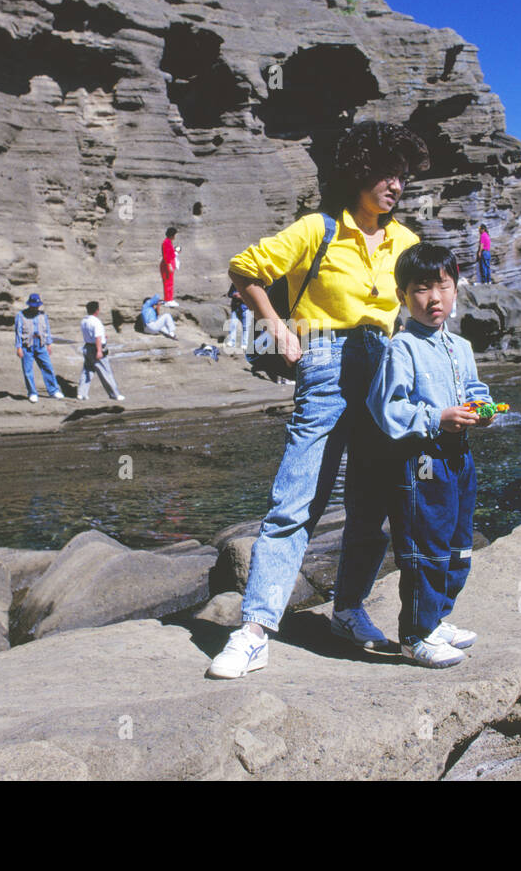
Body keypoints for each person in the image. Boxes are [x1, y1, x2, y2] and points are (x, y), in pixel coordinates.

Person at [207, 120, 429, 679]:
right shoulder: (318, 229)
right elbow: (245, 268)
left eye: (400, 175)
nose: (394, 185)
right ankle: (254, 630)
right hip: (325, 365)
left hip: (383, 372)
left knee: (371, 506)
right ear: (356, 173)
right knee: (295, 500)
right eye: (383, 173)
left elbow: (423, 305)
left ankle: (348, 610)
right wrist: (277, 328)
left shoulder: (406, 242)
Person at [368, 243, 493, 667]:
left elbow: (474, 391)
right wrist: (437, 417)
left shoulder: (460, 346)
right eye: (421, 289)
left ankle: (437, 619)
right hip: (421, 460)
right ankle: (415, 635)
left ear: (456, 289)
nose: (434, 298)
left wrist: (484, 409)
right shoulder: (402, 347)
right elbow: (387, 409)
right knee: (426, 546)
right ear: (404, 295)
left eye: (443, 286)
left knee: (458, 545)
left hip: (460, 458)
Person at [15, 292, 61, 403]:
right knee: (28, 370)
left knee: (47, 367)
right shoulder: (21, 315)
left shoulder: (43, 315)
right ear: (29, 305)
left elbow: (47, 330)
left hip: (40, 344)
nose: (35, 308)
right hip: (27, 346)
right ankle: (32, 393)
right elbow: (18, 332)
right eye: (33, 306)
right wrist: (19, 347)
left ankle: (53, 391)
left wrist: (49, 344)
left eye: (37, 306)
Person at [78, 301, 124, 401]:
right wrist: (99, 351)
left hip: (87, 347)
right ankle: (114, 394)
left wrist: (103, 336)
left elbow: (92, 334)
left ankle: (81, 393)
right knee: (105, 372)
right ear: (97, 310)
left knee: (87, 371)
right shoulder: (96, 321)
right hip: (96, 348)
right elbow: (97, 337)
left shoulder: (84, 320)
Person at [224, 285, 251, 349]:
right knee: (233, 325)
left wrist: (241, 296)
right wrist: (234, 294)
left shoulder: (248, 284)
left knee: (246, 327)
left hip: (246, 308)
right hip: (235, 307)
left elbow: (251, 296)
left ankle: (245, 343)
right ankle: (231, 341)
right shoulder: (234, 284)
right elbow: (229, 294)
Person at [161, 227, 180, 307]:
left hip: (169, 263)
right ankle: (168, 300)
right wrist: (169, 265)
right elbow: (166, 255)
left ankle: (169, 299)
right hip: (167, 264)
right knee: (168, 282)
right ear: (172, 235)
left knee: (170, 282)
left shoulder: (169, 242)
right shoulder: (166, 242)